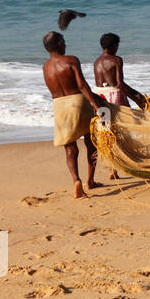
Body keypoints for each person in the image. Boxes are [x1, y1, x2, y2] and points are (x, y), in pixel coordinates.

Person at [41, 31, 108, 199]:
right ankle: (90, 181)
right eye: (63, 41)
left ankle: (76, 180)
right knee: (91, 141)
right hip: (78, 102)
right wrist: (96, 104)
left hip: (59, 105)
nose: (65, 44)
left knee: (69, 146)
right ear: (59, 44)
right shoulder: (71, 60)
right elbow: (82, 85)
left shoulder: (45, 67)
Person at [92, 33, 147, 180]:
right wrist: (137, 98)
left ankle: (113, 168)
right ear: (114, 45)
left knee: (107, 132)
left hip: (99, 97)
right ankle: (123, 164)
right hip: (114, 96)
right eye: (117, 45)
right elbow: (119, 84)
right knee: (122, 130)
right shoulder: (116, 60)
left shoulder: (96, 62)